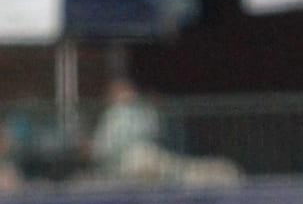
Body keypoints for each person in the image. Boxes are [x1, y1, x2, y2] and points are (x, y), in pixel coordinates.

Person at [89, 78, 240, 187]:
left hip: (138, 159)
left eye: (117, 92)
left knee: (176, 170)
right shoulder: (138, 110)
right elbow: (102, 148)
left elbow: (100, 148)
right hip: (132, 164)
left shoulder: (133, 111)